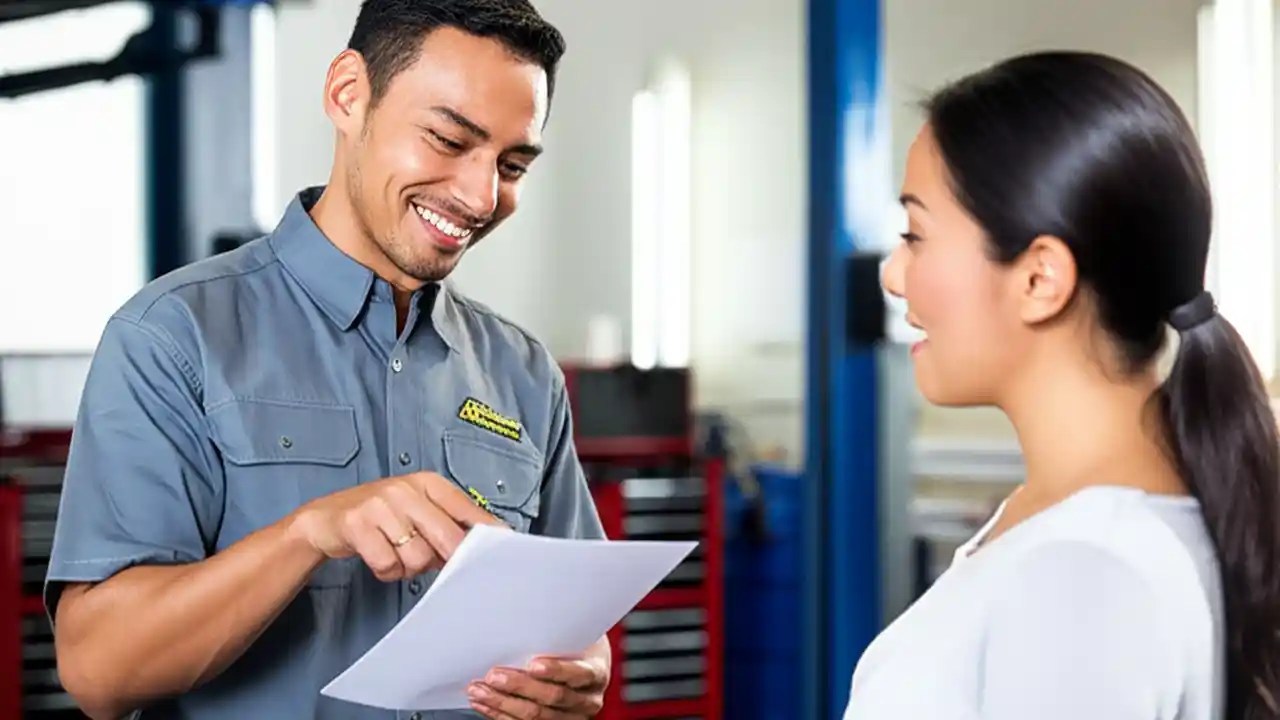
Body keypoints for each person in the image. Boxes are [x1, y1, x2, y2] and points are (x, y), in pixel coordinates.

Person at [45, 2, 611, 719]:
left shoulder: (523, 372)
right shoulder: (172, 338)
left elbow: (576, 622)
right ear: (348, 94)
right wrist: (307, 535)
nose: (480, 196)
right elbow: (99, 671)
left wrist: (580, 674)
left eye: (512, 165)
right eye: (447, 139)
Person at [847, 52, 1280, 720]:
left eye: (916, 235)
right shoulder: (1073, 528)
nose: (892, 274)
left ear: (1040, 279)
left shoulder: (1086, 572)